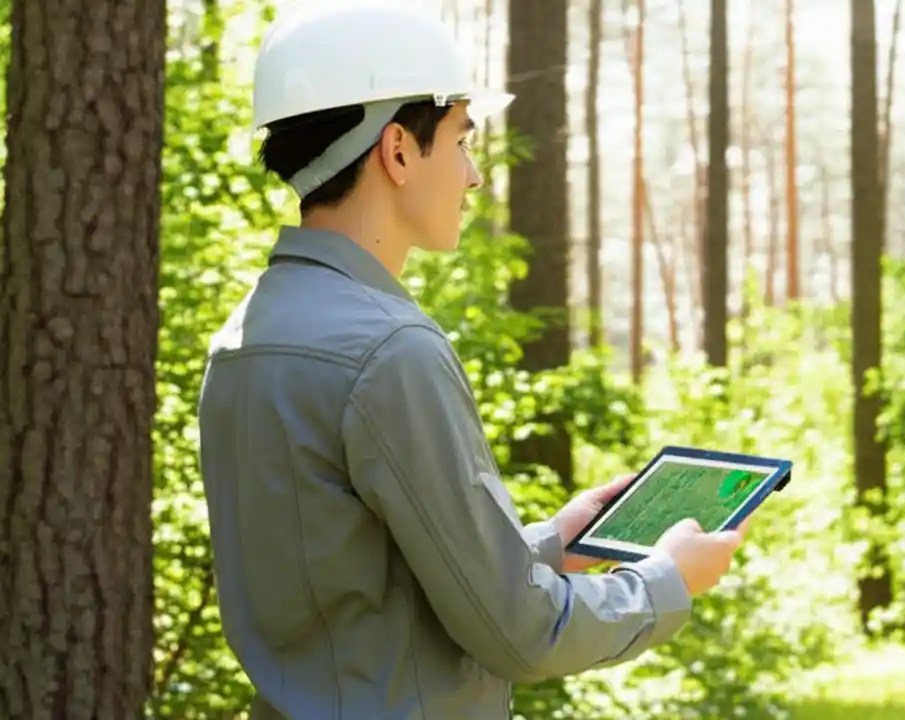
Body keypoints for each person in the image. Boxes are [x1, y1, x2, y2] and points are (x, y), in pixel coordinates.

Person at [196, 2, 748, 718]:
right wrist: (667, 580)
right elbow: (521, 633)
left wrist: (557, 542)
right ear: (398, 151)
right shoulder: (390, 350)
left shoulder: (247, 336)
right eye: (461, 140)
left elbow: (365, 589)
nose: (474, 175)